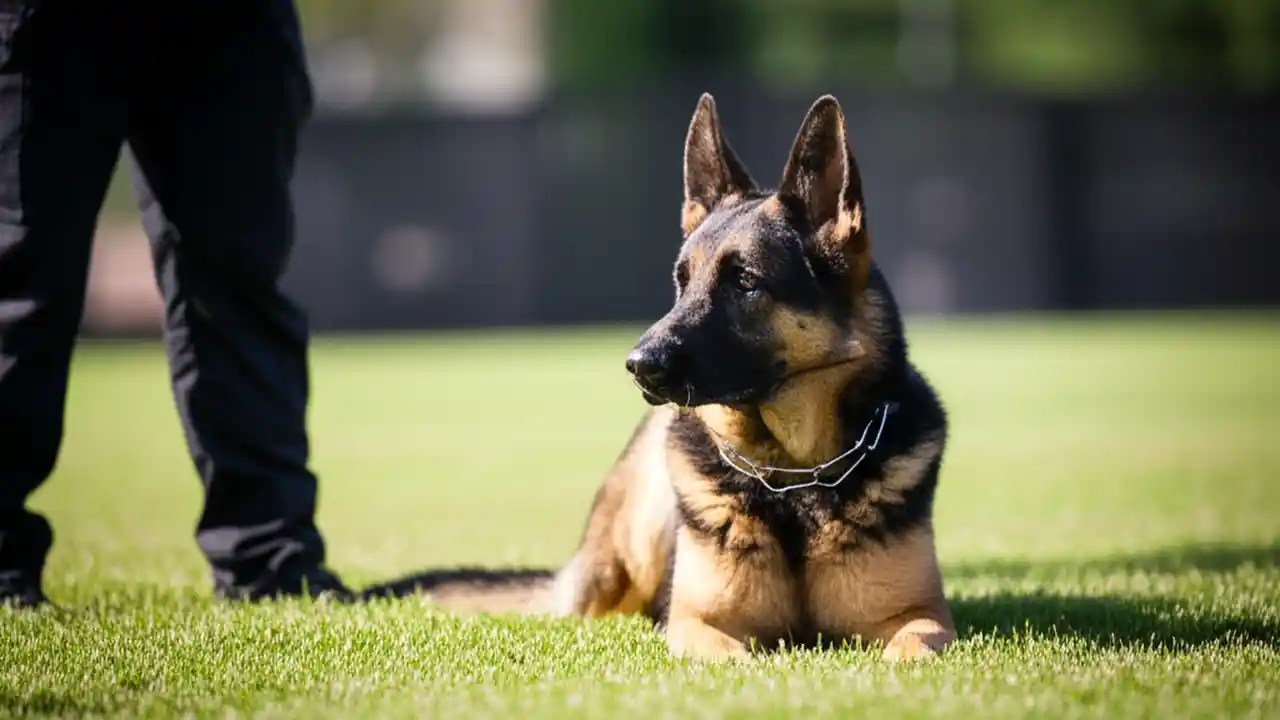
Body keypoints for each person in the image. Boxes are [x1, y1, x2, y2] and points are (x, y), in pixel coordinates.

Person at [0, 0, 348, 606]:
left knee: (239, 283)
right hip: (52, 16)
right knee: (22, 280)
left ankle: (271, 565)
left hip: (229, 21)